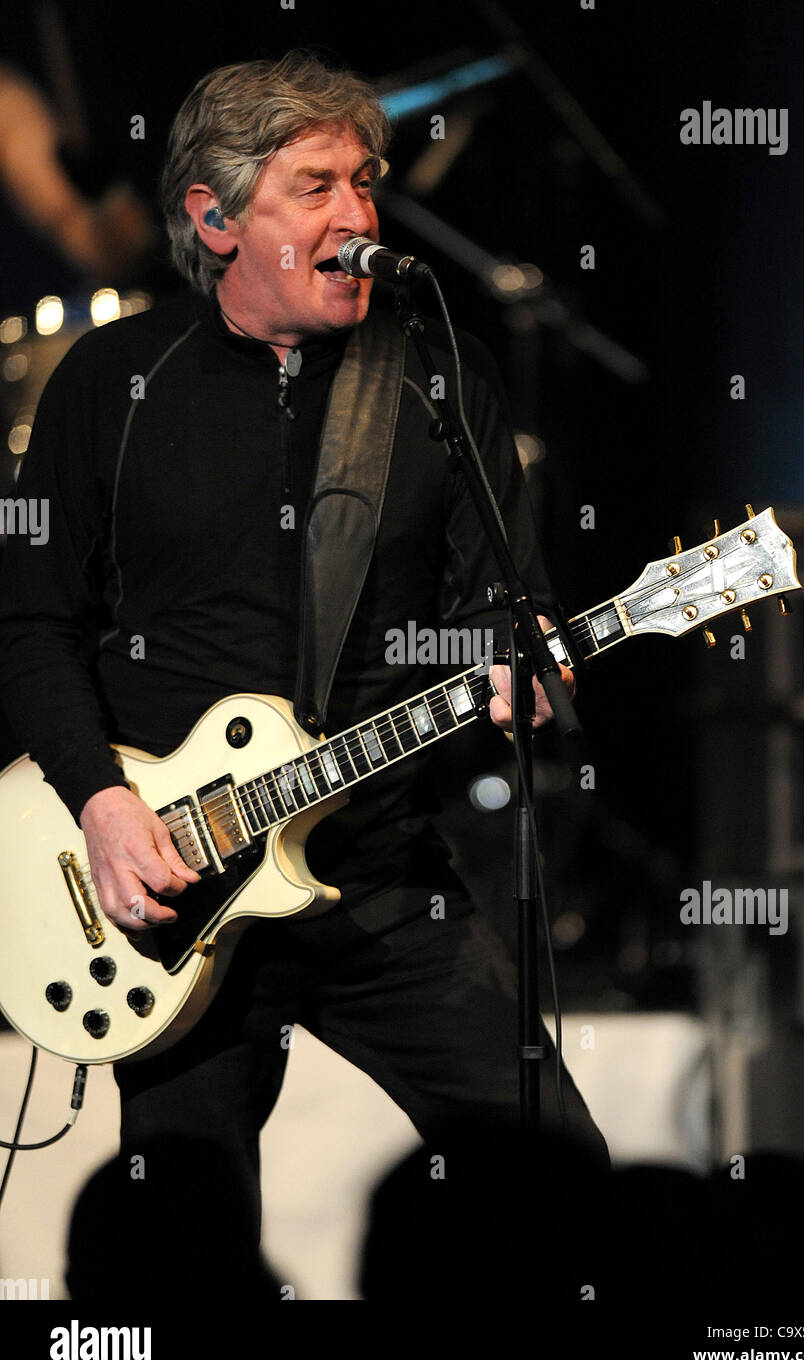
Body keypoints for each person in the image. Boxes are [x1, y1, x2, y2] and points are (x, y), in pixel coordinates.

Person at [0, 51, 608, 1288]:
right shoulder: (111, 386)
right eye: (315, 184)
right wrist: (104, 809)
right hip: (169, 902)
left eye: (364, 181)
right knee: (176, 1256)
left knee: (564, 1190)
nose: (357, 215)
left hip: (382, 880)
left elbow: (509, 609)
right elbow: (28, 625)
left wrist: (524, 676)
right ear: (215, 219)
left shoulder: (437, 375)